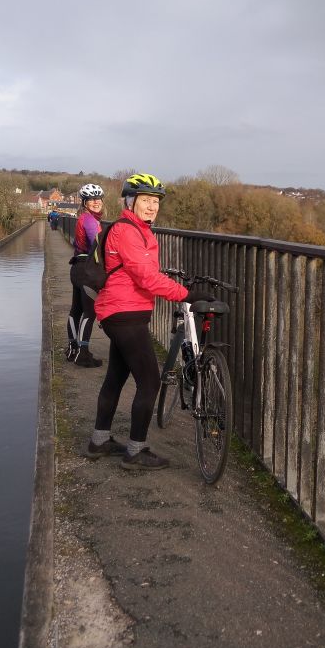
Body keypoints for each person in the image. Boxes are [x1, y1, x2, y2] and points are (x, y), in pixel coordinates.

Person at [86, 173, 214, 469]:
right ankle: (135, 451)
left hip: (119, 311)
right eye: (145, 200)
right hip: (125, 313)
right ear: (130, 202)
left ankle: (99, 441)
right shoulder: (128, 231)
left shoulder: (136, 229)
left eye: (155, 201)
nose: (151, 206)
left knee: (116, 377)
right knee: (150, 381)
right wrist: (187, 293)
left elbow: (142, 272)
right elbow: (145, 276)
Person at [67, 183, 107, 367]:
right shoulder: (91, 221)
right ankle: (82, 354)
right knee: (89, 312)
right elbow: (97, 246)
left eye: (98, 198)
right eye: (91, 199)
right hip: (85, 270)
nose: (96, 202)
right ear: (85, 202)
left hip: (76, 268)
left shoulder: (82, 218)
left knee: (76, 310)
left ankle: (72, 349)